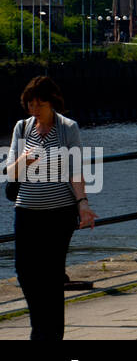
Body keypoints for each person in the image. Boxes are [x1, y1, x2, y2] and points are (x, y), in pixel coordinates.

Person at [4, 76, 97, 340]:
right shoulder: (22, 128)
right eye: (30, 104)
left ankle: (49, 334)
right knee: (24, 271)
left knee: (52, 274)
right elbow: (9, 172)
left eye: (40, 104)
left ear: (52, 102)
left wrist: (83, 205)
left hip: (59, 213)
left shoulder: (68, 128)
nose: (35, 110)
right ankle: (41, 327)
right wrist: (24, 159)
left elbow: (76, 170)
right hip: (26, 212)